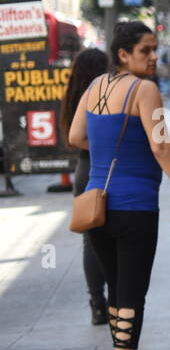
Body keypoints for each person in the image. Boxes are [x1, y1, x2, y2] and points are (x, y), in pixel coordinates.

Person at [68, 21, 170, 350]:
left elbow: (75, 136)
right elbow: (161, 148)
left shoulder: (95, 87)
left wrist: (110, 145)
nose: (153, 57)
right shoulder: (145, 91)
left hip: (97, 206)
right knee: (131, 295)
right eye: (145, 50)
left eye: (154, 49)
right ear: (123, 54)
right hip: (135, 208)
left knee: (117, 292)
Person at [60, 47, 110, 325]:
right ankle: (115, 301)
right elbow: (79, 138)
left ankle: (96, 303)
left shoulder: (71, 97)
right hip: (101, 170)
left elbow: (71, 137)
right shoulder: (101, 95)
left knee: (90, 241)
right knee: (110, 238)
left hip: (83, 170)